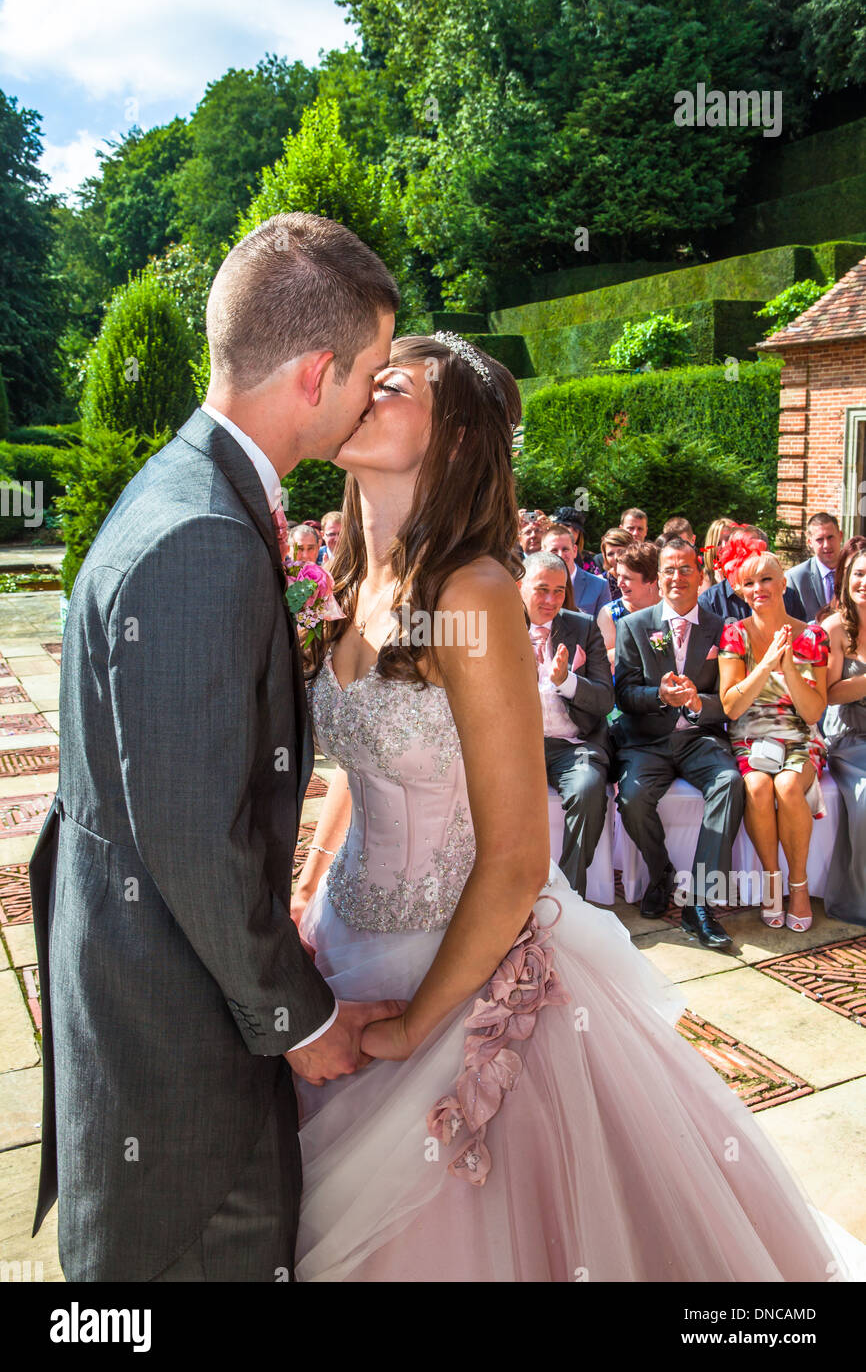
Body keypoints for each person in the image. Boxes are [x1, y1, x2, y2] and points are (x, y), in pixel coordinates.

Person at [289, 330, 849, 1282]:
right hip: (341, 940)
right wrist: (306, 898)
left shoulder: (476, 591)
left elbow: (512, 862)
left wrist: (416, 1027)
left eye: (394, 385)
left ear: (459, 442)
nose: (362, 388)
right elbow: (367, 763)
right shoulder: (349, 584)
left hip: (450, 973)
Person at [26, 211, 405, 1282]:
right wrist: (297, 1017)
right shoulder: (201, 535)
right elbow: (192, 833)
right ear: (317, 371)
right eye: (371, 372)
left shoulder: (184, 488)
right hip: (178, 1060)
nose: (373, 395)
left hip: (145, 991)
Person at [614, 537, 744, 949]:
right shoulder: (634, 625)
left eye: (685, 568)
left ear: (700, 575)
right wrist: (658, 696)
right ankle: (661, 873)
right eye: (668, 569)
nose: (676, 577)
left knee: (730, 783)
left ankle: (699, 902)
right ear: (659, 576)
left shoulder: (720, 627)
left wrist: (695, 702)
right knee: (632, 798)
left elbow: (729, 699)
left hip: (699, 737)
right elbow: (624, 696)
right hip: (647, 741)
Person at [717, 537, 829, 933]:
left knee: (787, 787)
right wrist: (765, 664)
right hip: (750, 736)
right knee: (759, 788)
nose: (758, 589)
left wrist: (790, 668)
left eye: (767, 579)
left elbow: (815, 710)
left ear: (784, 584)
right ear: (740, 591)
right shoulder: (735, 635)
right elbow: (731, 706)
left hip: (800, 735)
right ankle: (771, 880)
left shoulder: (812, 635)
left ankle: (798, 886)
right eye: (749, 583)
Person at [519, 550, 614, 898]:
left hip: (573, 745)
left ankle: (569, 895)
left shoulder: (582, 627)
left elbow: (605, 700)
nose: (550, 599)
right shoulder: (500, 628)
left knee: (589, 789)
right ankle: (512, 894)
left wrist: (566, 681)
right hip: (516, 747)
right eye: (542, 589)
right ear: (520, 586)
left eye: (559, 591)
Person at [822, 539, 866, 925]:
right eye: (859, 574)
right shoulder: (835, 628)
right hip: (851, 739)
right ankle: (859, 899)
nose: (865, 582)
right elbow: (828, 694)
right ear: (846, 580)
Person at [700, 525, 807, 622]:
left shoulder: (788, 597)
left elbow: (801, 637)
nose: (748, 561)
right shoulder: (710, 602)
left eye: (754, 553)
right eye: (741, 553)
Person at [597, 541, 659, 670]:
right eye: (618, 575)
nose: (620, 583)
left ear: (651, 580)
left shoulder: (670, 608)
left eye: (627, 578)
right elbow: (603, 661)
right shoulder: (610, 613)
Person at [542, 522, 608, 619]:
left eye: (565, 549)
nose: (560, 555)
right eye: (554, 550)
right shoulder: (534, 586)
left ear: (575, 550)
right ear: (543, 553)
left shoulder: (599, 586)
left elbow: (603, 630)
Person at [786, 512, 845, 621]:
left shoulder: (855, 573)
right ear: (810, 542)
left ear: (840, 536)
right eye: (820, 540)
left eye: (830, 537)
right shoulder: (795, 578)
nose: (826, 545)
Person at [701, 517, 738, 593]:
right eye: (718, 543)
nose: (724, 546)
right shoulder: (706, 577)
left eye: (728, 539)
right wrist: (722, 587)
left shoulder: (748, 570)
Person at [597, 525, 631, 600]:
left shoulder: (643, 578)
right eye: (610, 554)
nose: (616, 557)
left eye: (621, 551)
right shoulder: (600, 582)